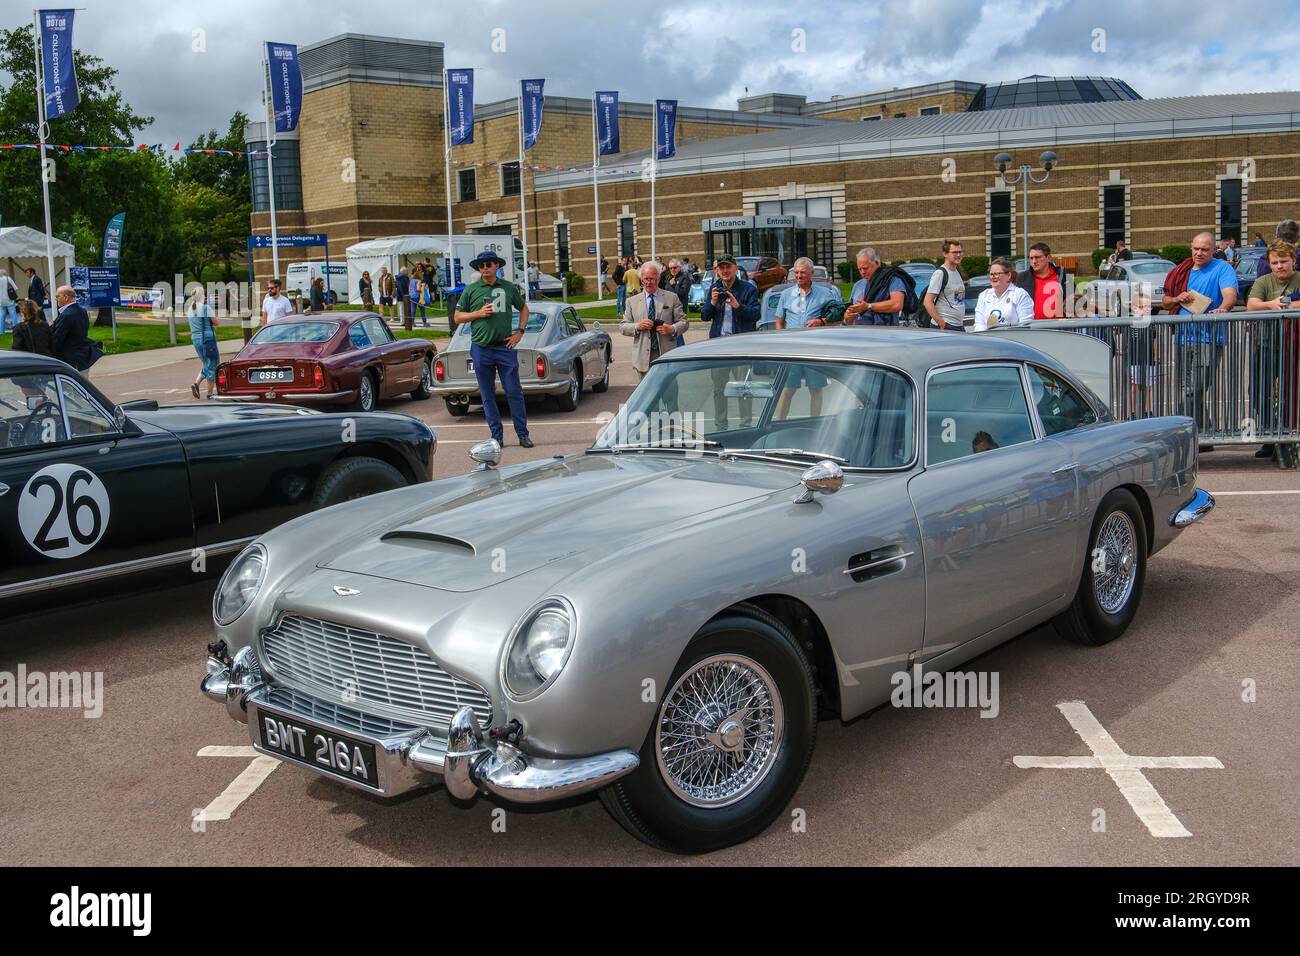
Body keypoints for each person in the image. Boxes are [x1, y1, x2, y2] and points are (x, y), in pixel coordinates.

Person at [453, 250, 533, 448]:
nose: (485, 268)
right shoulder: (471, 290)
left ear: (497, 266)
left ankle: (522, 434)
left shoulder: (508, 287)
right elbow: (457, 317)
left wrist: (519, 332)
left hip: (504, 347)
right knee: (487, 394)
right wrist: (478, 313)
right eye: (482, 265)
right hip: (481, 348)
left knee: (514, 391)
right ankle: (496, 436)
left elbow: (523, 308)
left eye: (489, 264)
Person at [1161, 231, 1238, 438]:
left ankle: (1181, 435)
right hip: (1183, 338)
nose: (1199, 253)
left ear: (1214, 250)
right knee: (1190, 390)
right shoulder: (1182, 270)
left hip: (1209, 339)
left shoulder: (1223, 268)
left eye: (1204, 249)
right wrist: (1178, 297)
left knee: (1193, 390)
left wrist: (1223, 307)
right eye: (1196, 248)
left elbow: (1230, 294)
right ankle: (1206, 433)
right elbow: (1165, 301)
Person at [1246, 240, 1300, 459]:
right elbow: (1251, 305)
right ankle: (1269, 435)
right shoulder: (1263, 281)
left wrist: (1287, 305)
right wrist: (1271, 304)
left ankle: (1287, 437)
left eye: (1284, 261)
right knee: (1259, 392)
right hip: (1266, 344)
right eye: (1275, 262)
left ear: (1293, 261)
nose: (1279, 266)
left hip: (1294, 346)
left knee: (1290, 393)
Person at [773, 258, 838, 419]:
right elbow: (779, 321)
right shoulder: (786, 294)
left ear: (811, 273)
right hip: (791, 351)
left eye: (803, 272)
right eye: (796, 272)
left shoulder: (824, 293)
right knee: (787, 390)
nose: (799, 276)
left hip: (814, 350)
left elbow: (837, 316)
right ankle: (778, 423)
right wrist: (781, 342)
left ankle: (814, 423)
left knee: (815, 389)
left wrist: (821, 321)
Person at [702, 255, 760, 430]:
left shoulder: (748, 289)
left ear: (735, 268)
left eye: (728, 267)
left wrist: (738, 306)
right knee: (719, 390)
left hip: (741, 347)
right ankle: (721, 426)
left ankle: (745, 426)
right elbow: (705, 316)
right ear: (717, 271)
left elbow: (756, 315)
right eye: (722, 268)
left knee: (743, 389)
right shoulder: (714, 288)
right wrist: (712, 302)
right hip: (718, 347)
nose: (725, 271)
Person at [620, 261, 687, 387]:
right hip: (643, 358)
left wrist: (671, 328)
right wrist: (637, 326)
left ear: (658, 278)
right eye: (646, 279)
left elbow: (684, 322)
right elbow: (623, 326)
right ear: (641, 279)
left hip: (666, 355)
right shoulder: (631, 301)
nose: (649, 282)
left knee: (670, 396)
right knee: (646, 400)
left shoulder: (672, 298)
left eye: (652, 279)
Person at [846, 247, 909, 326]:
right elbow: (848, 317)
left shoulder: (892, 280)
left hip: (885, 333)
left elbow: (897, 304)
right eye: (859, 269)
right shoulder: (857, 285)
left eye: (865, 268)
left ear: (877, 263)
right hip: (860, 334)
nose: (862, 272)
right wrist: (848, 316)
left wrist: (868, 306)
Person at [973, 258, 1033, 331]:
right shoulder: (984, 295)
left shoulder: (1020, 294)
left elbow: (1025, 324)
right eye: (991, 274)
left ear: (1008, 275)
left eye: (997, 274)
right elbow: (979, 324)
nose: (993, 277)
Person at [921, 240, 966, 330]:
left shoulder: (957, 271)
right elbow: (927, 302)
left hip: (958, 325)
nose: (958, 255)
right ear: (945, 254)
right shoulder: (940, 273)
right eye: (954, 252)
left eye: (960, 252)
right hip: (946, 326)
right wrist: (941, 323)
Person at [1016, 242, 1066, 320]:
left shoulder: (1064, 275)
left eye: (1037, 257)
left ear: (1049, 258)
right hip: (1033, 328)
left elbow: (1072, 303)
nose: (1034, 261)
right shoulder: (1023, 277)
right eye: (1031, 258)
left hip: (1059, 328)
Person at [187, 287, 220, 399]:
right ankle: (207, 391)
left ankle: (199, 385)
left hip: (196, 339)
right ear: (202, 296)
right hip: (207, 338)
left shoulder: (190, 308)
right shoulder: (206, 308)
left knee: (207, 362)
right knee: (212, 363)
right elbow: (216, 323)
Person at [51, 285, 93, 371]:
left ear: (66, 297)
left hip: (70, 362)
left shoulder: (66, 315)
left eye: (57, 296)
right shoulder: (82, 311)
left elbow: (57, 339)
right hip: (82, 359)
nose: (56, 299)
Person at [664, 258, 693, 347]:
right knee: (672, 331)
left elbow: (683, 293)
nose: (673, 270)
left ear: (679, 267)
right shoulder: (668, 277)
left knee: (677, 330)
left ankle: (680, 350)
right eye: (671, 268)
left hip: (679, 309)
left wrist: (674, 285)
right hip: (669, 309)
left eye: (675, 267)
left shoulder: (685, 278)